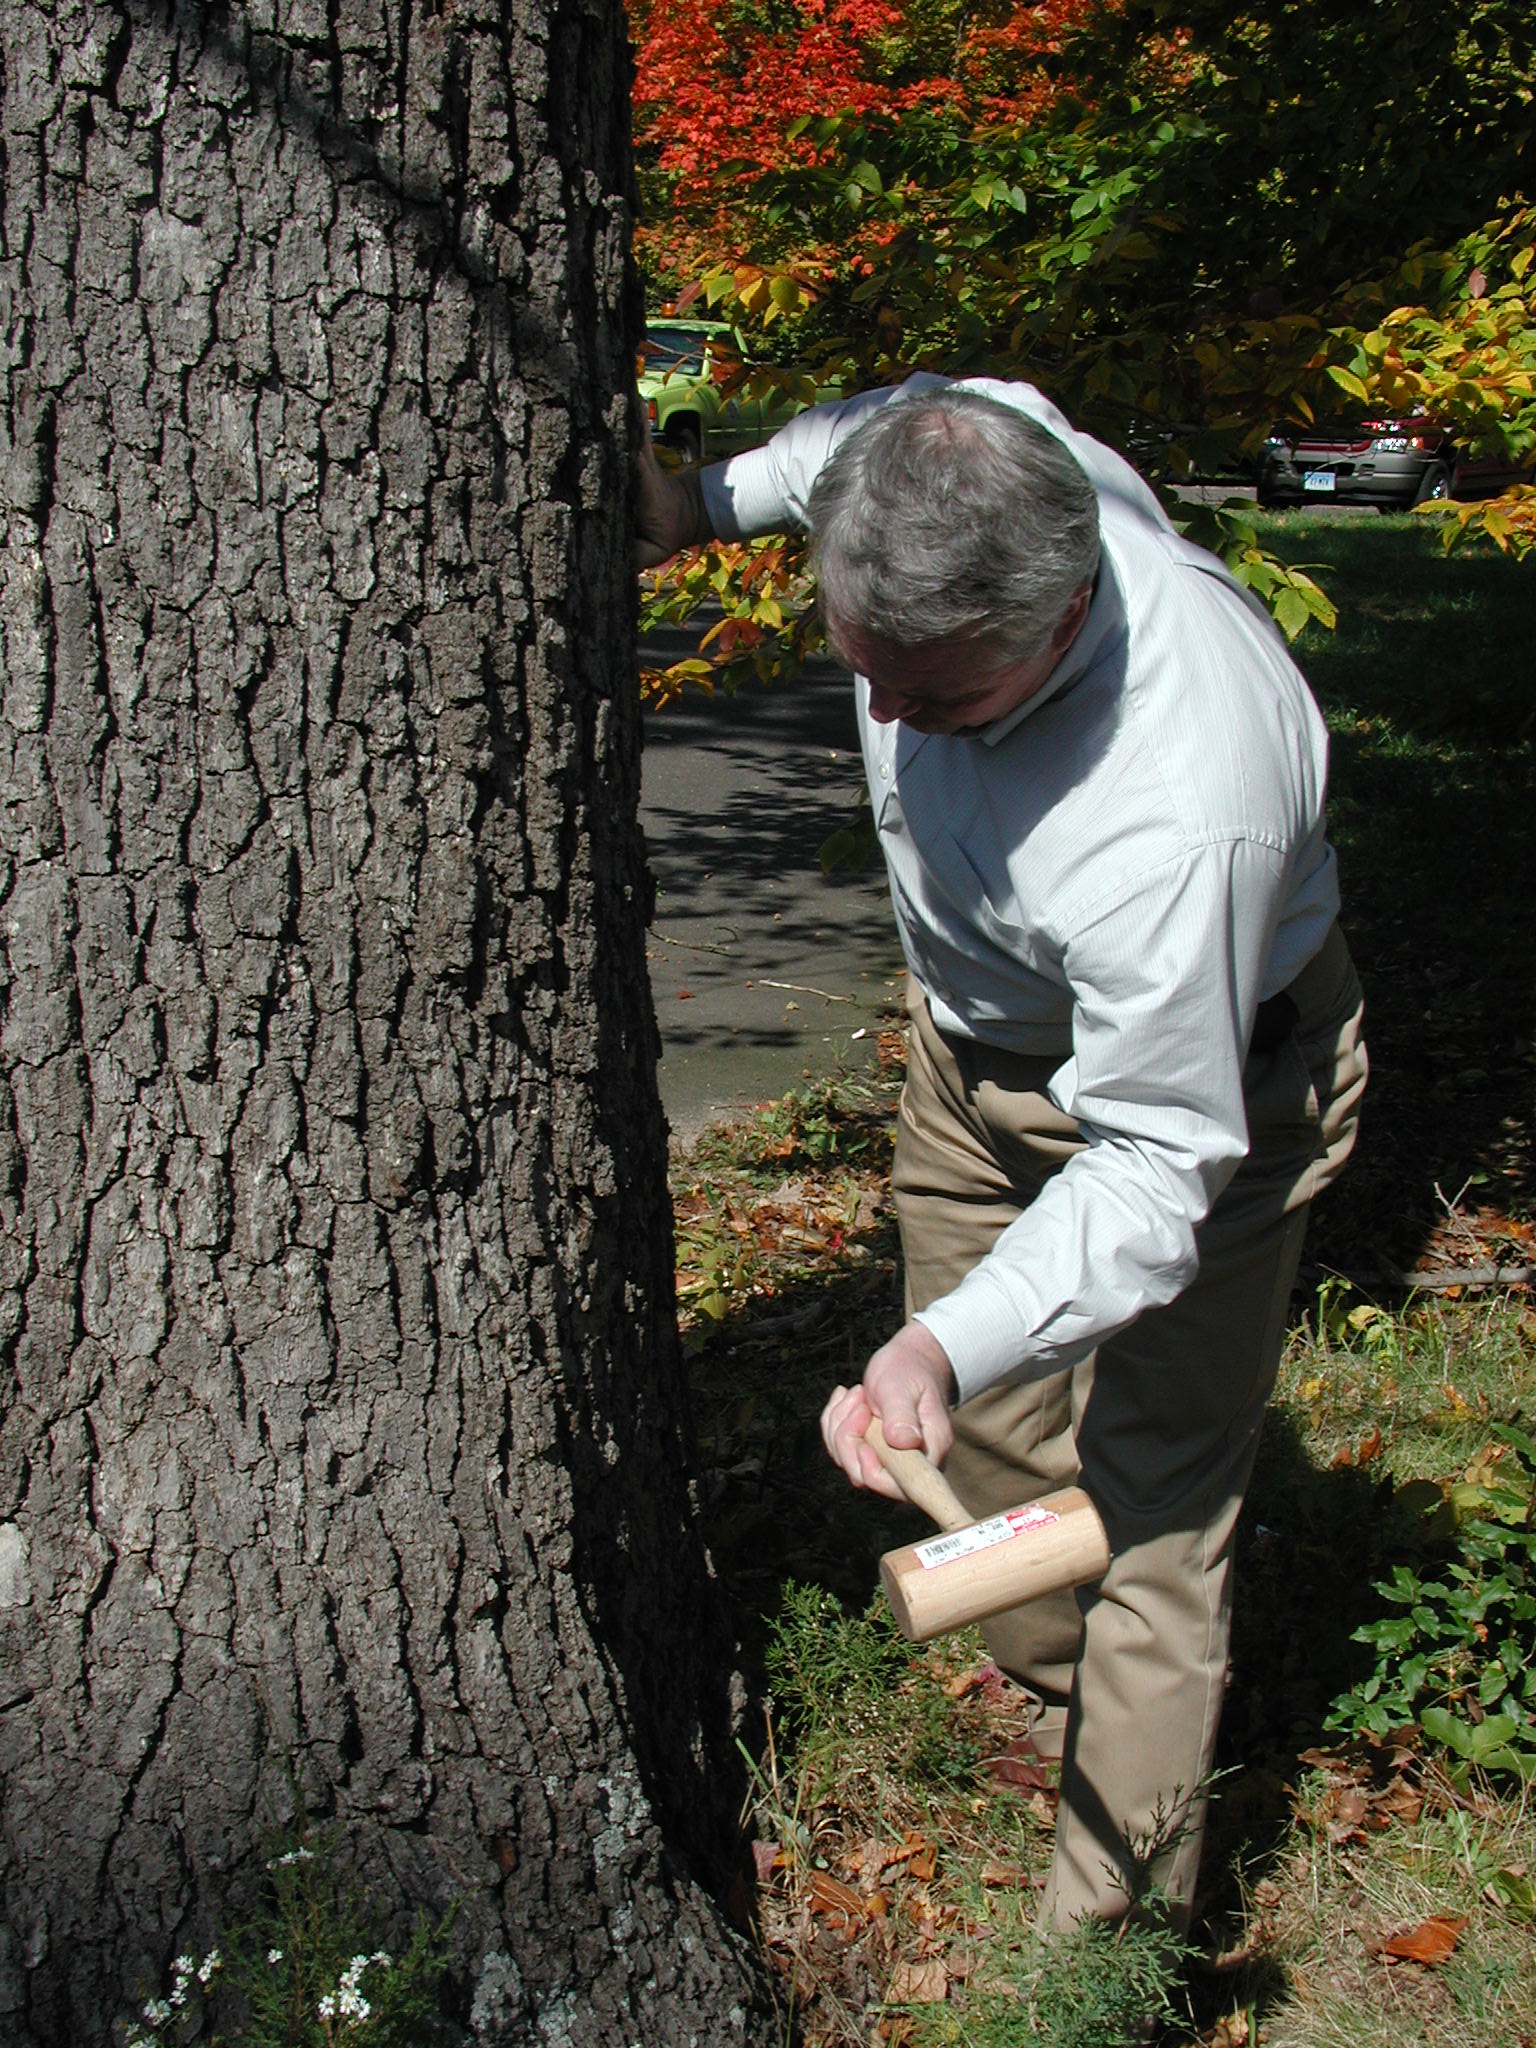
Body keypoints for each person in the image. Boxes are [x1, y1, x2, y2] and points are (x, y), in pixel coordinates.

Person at [638, 377, 1367, 1934]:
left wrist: (943, 1336)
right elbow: (844, 446)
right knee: (985, 1439)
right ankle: (1051, 1687)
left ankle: (1106, 1949)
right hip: (975, 1054)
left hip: (1201, 1098)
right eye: (867, 679)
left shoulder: (1177, 817)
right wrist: (696, 507)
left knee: (1155, 1510)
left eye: (944, 701)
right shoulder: (967, 449)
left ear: (1062, 610)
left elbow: (1160, 1162)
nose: (890, 730)